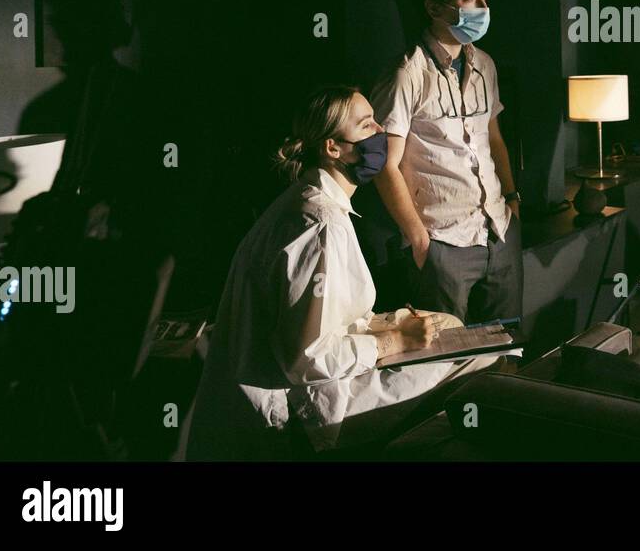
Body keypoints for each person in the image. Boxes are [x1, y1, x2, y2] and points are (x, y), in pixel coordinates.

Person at [184, 85, 496, 459]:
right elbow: (308, 358)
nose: (382, 132)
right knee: (486, 364)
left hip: (307, 378)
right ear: (333, 148)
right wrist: (397, 341)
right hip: (296, 410)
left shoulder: (311, 199)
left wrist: (391, 323)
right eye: (367, 127)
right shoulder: (319, 223)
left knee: (450, 325)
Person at [367, 0, 523, 323]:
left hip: (498, 230)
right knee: (442, 361)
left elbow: (493, 137)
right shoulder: (406, 74)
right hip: (442, 242)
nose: (483, 8)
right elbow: (384, 164)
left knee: (505, 349)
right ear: (435, 7)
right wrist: (419, 241)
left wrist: (513, 202)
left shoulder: (485, 64)